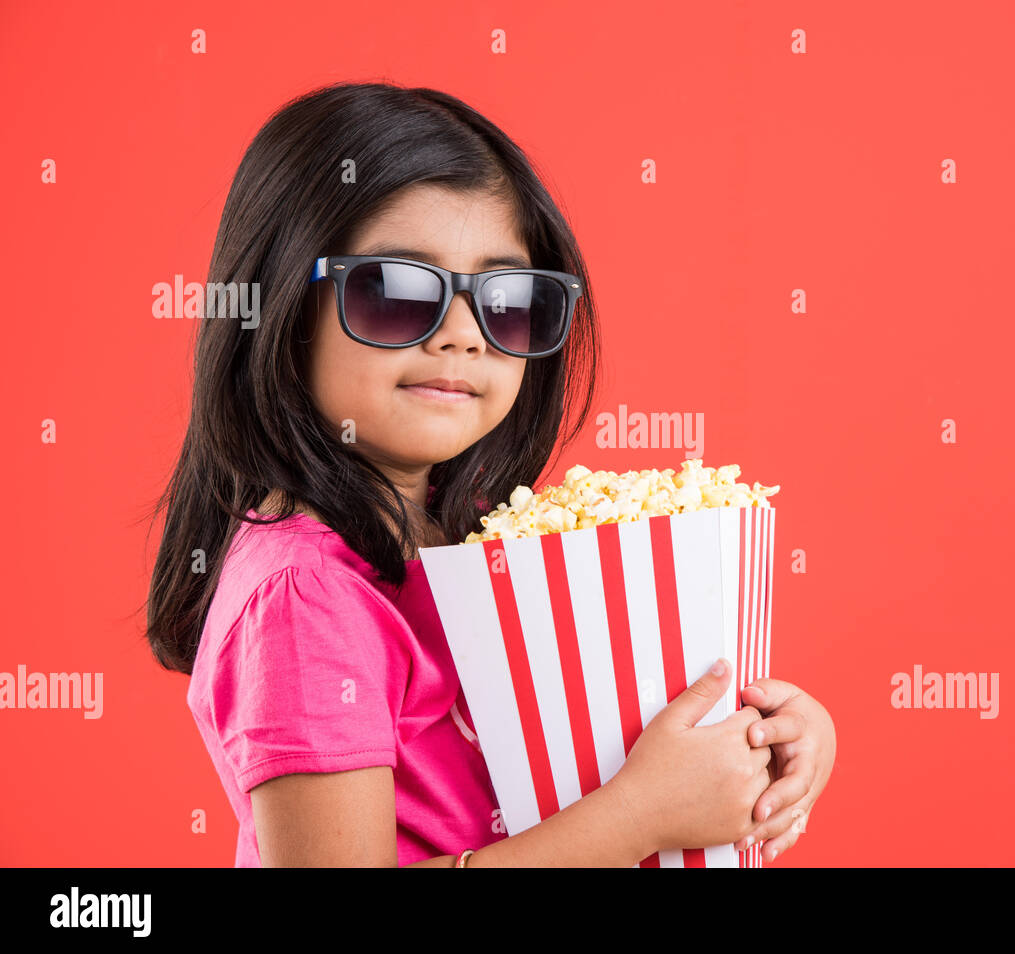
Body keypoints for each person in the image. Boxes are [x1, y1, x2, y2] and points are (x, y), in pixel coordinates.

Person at [144, 82, 835, 867]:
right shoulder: (305, 596)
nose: (465, 336)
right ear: (280, 305)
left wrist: (770, 736)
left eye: (506, 300)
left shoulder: (477, 528)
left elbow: (593, 740)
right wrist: (640, 815)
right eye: (398, 291)